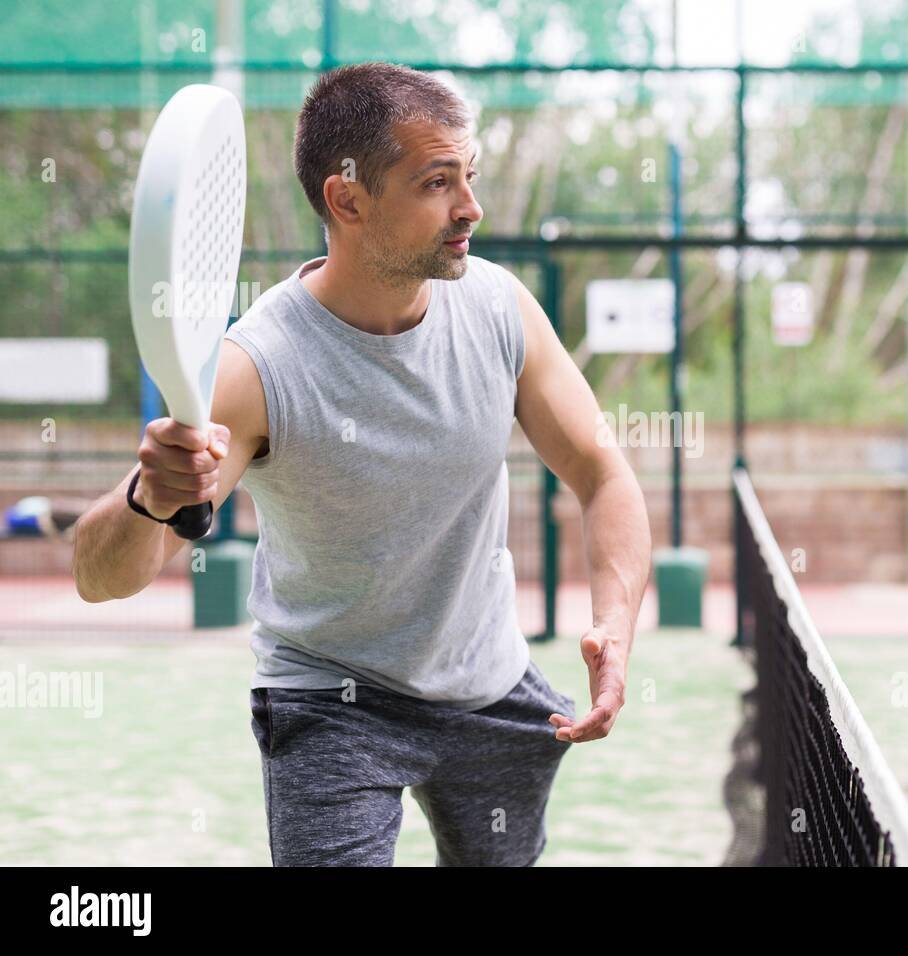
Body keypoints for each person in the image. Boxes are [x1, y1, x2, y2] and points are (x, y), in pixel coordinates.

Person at [72, 63, 652, 866]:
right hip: (332, 702)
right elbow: (105, 579)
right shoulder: (258, 370)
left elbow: (602, 470)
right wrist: (146, 498)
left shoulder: (499, 309)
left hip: (488, 686)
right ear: (348, 199)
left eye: (468, 177)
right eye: (436, 182)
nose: (470, 208)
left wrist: (615, 625)